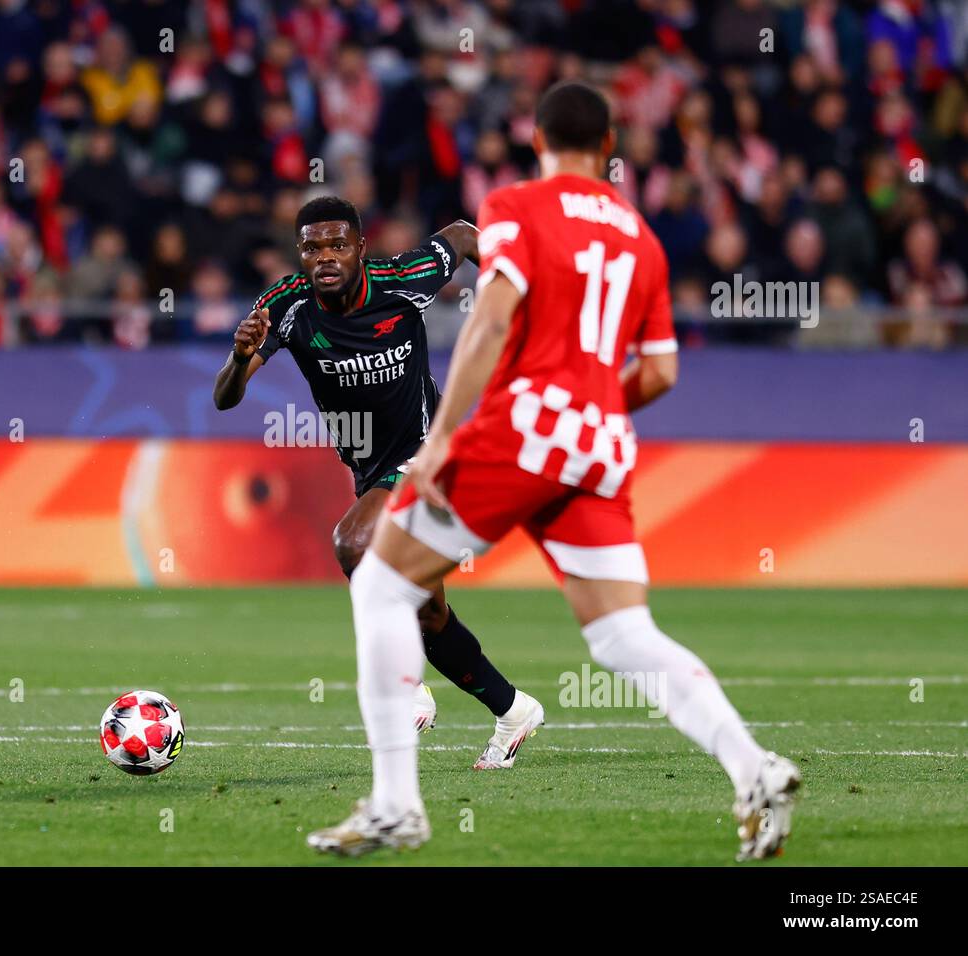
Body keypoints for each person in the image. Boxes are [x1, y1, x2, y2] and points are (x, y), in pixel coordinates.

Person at [308, 82, 800, 860]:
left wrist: (438, 443)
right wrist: (595, 409)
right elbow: (663, 370)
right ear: (610, 148)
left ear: (538, 141)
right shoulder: (642, 237)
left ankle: (396, 805)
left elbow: (493, 318)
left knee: (377, 581)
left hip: (525, 430)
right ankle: (755, 767)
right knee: (623, 636)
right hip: (599, 444)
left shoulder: (516, 205)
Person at [213, 196, 543, 767]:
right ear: (301, 253)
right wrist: (241, 358)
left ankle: (405, 683)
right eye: (313, 247)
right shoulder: (285, 306)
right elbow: (225, 398)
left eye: (338, 244)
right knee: (429, 614)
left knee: (353, 542)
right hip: (368, 468)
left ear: (360, 248)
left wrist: (513, 288)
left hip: (428, 451)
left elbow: (463, 234)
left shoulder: (403, 279)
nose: (326, 257)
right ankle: (513, 710)